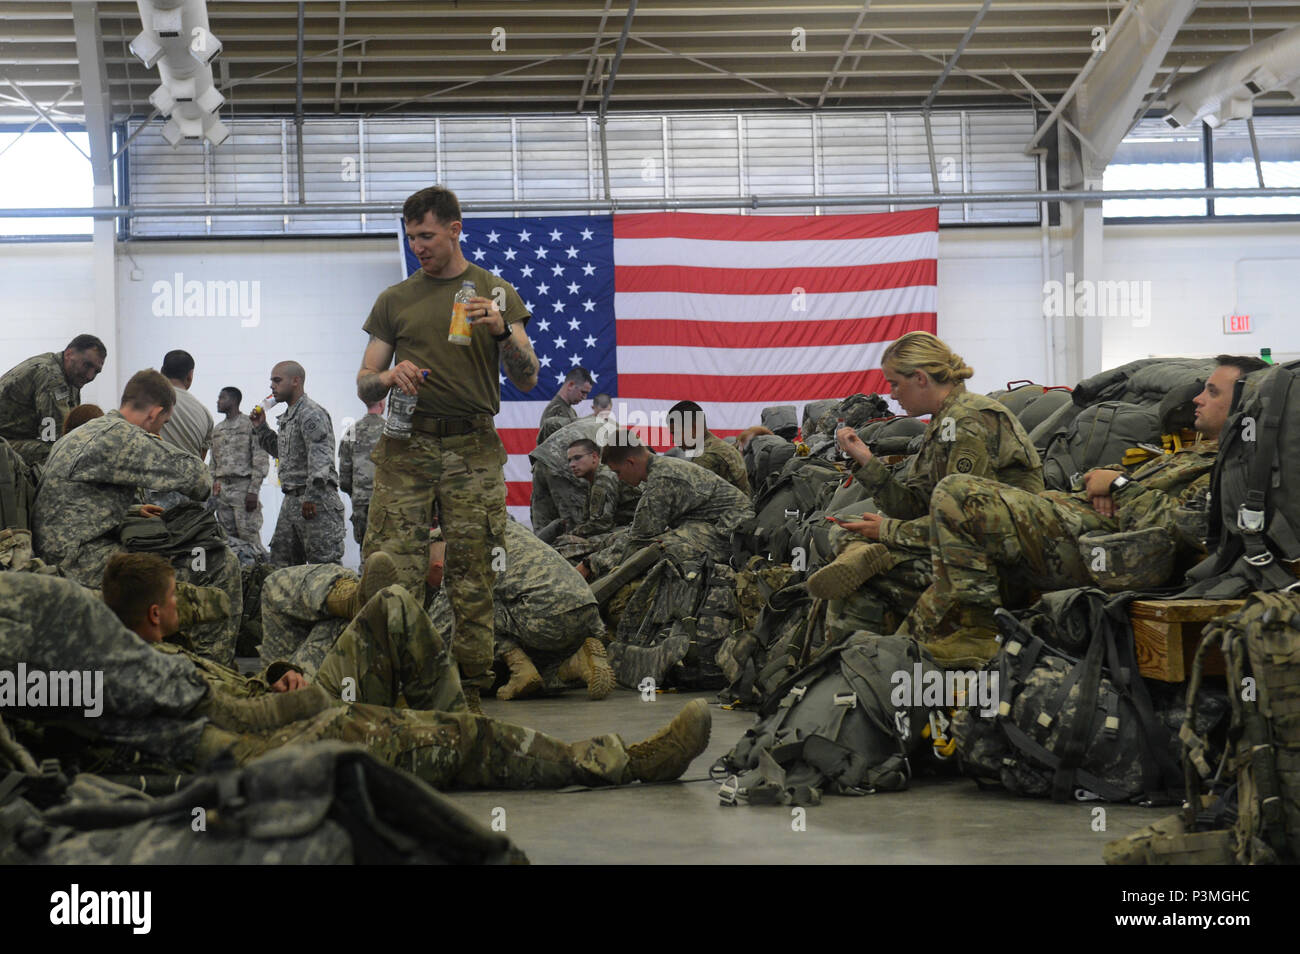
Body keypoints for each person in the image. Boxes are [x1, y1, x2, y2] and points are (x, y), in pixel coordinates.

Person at [0, 558, 711, 792]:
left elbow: (231, 688)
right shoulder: (126, 668)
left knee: (395, 605)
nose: (189, 606)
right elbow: (199, 722)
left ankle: (475, 732)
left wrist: (279, 673)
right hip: (240, 750)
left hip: (276, 704)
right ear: (158, 613)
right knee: (376, 731)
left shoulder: (133, 651)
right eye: (179, 599)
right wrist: (291, 704)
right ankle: (619, 765)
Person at [900, 355, 1264, 665]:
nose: (1197, 399)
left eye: (1213, 392)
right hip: (1075, 522)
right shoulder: (1195, 452)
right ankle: (897, 659)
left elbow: (1193, 529)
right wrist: (1104, 482)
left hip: (1101, 549)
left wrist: (1119, 488)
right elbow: (1138, 491)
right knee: (919, 591)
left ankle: (979, 632)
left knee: (956, 494)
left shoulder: (1235, 468)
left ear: (1246, 402)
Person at [354, 185, 539, 713]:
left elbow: (528, 378)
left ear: (455, 230)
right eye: (411, 237)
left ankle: (470, 690)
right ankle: (395, 688)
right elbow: (364, 383)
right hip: (406, 445)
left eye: (428, 235)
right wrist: (389, 375)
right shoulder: (395, 300)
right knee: (393, 566)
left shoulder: (495, 292)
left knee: (474, 570)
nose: (419, 246)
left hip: (472, 446)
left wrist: (503, 332)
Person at [807, 331, 1043, 602]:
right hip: (962, 548)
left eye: (895, 384)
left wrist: (887, 531)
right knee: (840, 528)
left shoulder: (969, 421)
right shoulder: (945, 423)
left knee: (860, 588)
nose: (893, 395)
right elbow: (914, 506)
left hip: (998, 562)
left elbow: (964, 526)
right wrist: (866, 462)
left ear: (920, 378)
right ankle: (864, 560)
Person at [30, 369, 242, 665]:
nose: (158, 433)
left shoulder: (85, 432)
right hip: (84, 564)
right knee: (220, 563)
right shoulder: (119, 436)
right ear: (154, 414)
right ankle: (208, 676)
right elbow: (197, 478)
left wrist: (130, 511)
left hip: (62, 554)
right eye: (163, 424)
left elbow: (74, 504)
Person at [580, 435, 755, 581]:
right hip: (714, 522)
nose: (618, 478)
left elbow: (639, 540)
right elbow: (638, 529)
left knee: (658, 549)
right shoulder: (660, 468)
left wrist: (590, 564)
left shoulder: (662, 479)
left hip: (730, 532)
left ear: (630, 462)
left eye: (617, 472)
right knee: (620, 539)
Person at [250, 360, 346, 567]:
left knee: (324, 566)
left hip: (314, 499)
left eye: (277, 380)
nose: (271, 386)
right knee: (282, 563)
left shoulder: (310, 413)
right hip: (292, 500)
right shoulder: (288, 416)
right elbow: (283, 453)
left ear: (296, 381)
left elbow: (321, 457)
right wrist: (261, 427)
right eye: (271, 382)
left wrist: (311, 496)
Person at [0, 334, 107, 466]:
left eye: (96, 371)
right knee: (58, 452)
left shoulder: (71, 377)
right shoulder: (51, 376)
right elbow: (56, 437)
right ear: (69, 354)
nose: (90, 375)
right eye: (87, 365)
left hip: (12, 440)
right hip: (3, 442)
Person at [210, 386, 269, 555]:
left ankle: (258, 576)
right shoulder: (217, 429)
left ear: (234, 401)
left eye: (222, 398)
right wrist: (213, 489)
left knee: (250, 540)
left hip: (244, 491)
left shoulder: (250, 424)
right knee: (227, 542)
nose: (218, 401)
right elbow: (213, 463)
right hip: (223, 492)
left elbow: (260, 458)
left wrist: (253, 491)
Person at [667, 400, 751, 495]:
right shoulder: (722, 447)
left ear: (693, 428)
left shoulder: (706, 457)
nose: (674, 440)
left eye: (676, 433)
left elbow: (694, 500)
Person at [565, 437, 639, 538]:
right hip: (627, 526)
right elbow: (588, 519)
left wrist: (571, 534)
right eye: (569, 460)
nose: (572, 464)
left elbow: (600, 524)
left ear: (594, 457)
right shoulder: (593, 478)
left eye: (577, 458)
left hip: (637, 527)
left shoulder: (604, 477)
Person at [339, 399, 386, 546]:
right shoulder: (390, 431)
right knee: (389, 549)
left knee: (366, 549)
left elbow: (344, 479)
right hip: (387, 501)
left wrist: (357, 494)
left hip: (361, 502)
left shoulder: (351, 431)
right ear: (382, 404)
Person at [158, 349, 215, 462]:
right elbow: (200, 461)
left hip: (150, 476)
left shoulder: (146, 400)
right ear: (190, 376)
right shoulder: (205, 414)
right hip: (189, 478)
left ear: (161, 371)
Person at [537, 367, 593, 444]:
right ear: (570, 385)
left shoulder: (570, 410)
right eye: (583, 392)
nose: (584, 397)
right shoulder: (556, 411)